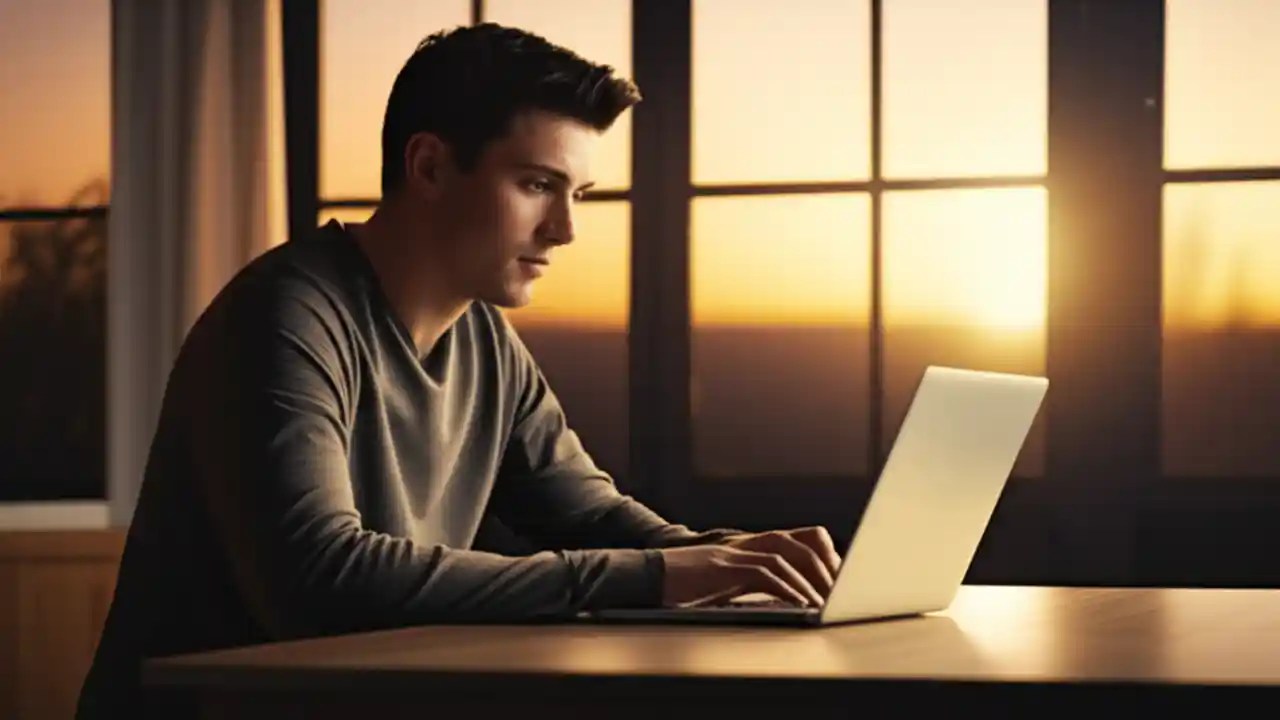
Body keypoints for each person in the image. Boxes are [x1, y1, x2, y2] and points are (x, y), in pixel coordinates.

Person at [77, 23, 840, 719]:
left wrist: (739, 564)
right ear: (430, 166)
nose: (566, 230)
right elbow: (318, 580)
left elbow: (591, 515)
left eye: (577, 194)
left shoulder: (485, 341)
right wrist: (660, 575)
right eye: (537, 185)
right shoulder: (285, 315)